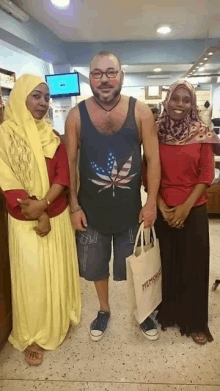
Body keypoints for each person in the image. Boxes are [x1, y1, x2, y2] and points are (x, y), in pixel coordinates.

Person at [65, 51, 161, 342]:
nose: (104, 79)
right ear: (89, 78)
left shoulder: (140, 111)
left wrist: (151, 202)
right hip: (91, 213)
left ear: (122, 76)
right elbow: (69, 163)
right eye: (97, 73)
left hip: (131, 212)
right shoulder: (75, 115)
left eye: (111, 72)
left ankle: (143, 312)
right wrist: (73, 205)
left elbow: (153, 161)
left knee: (137, 267)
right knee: (96, 268)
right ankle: (104, 309)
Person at [0, 74, 81, 365]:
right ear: (21, 96)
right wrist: (37, 210)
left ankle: (58, 318)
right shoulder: (4, 134)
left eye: (46, 97)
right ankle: (33, 334)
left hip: (55, 215)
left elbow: (64, 174)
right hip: (24, 218)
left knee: (55, 271)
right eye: (36, 96)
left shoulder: (52, 135)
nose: (43, 103)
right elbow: (5, 176)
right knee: (32, 277)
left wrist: (45, 205)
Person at [144, 80, 220, 345]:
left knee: (195, 267)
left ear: (192, 104)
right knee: (168, 264)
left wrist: (185, 208)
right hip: (164, 210)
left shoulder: (202, 132)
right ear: (167, 100)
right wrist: (162, 206)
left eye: (186, 100)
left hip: (194, 210)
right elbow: (149, 171)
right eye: (175, 98)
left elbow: (207, 173)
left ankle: (196, 322)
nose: (179, 104)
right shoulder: (155, 131)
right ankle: (171, 313)